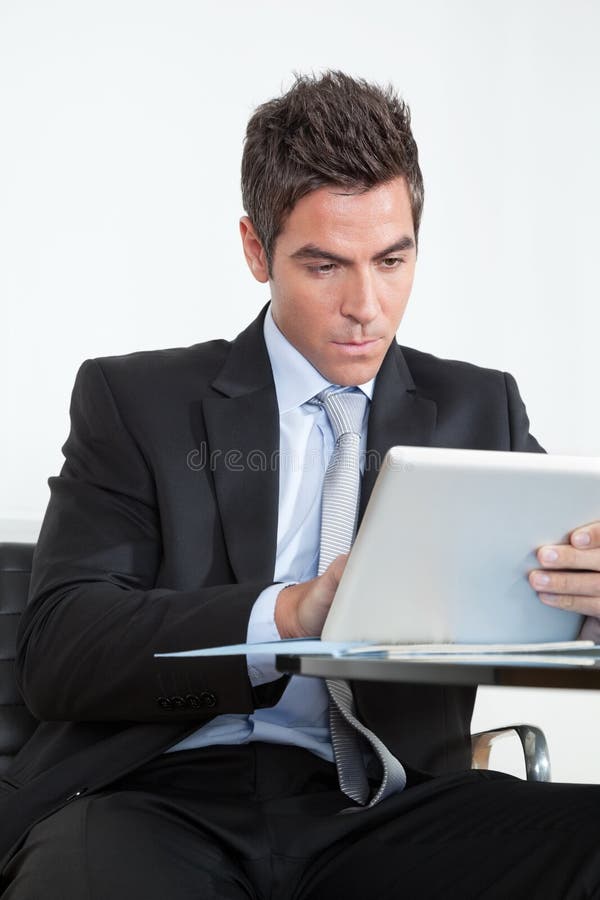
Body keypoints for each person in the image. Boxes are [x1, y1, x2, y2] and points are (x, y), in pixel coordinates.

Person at [2, 70, 600, 899]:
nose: (368, 307)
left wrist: (586, 600)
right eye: (325, 265)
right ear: (257, 250)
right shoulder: (138, 403)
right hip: (155, 799)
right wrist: (292, 615)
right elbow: (62, 651)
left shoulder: (478, 410)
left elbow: (536, 603)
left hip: (388, 806)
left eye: (393, 260)